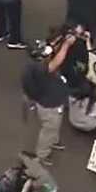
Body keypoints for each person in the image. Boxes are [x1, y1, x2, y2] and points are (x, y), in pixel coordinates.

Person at [21, 33, 77, 164]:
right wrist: (66, 45)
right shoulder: (40, 69)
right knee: (48, 130)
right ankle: (42, 154)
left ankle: (54, 141)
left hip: (52, 102)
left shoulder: (32, 66)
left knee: (54, 126)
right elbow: (57, 62)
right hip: (50, 107)